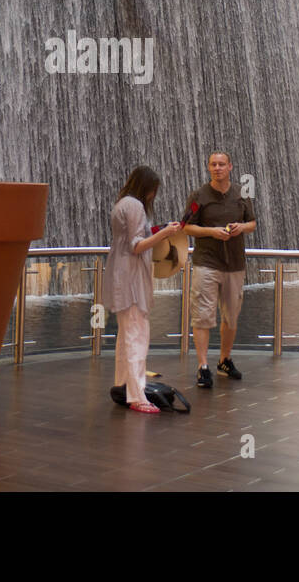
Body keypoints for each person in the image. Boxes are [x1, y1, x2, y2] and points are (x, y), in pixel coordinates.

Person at [104, 166, 183, 414]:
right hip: (132, 281)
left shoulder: (121, 204)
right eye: (153, 192)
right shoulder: (136, 206)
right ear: (147, 188)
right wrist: (167, 233)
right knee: (137, 338)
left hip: (120, 276)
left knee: (125, 338)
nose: (153, 197)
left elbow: (133, 239)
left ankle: (123, 387)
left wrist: (157, 231)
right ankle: (138, 396)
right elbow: (137, 246)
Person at [181, 151, 257, 388]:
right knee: (203, 315)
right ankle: (203, 366)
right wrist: (211, 232)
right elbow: (185, 226)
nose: (217, 168)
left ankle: (225, 361)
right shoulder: (198, 196)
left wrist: (241, 227)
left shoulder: (242, 194)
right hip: (207, 262)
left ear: (230, 167)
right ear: (208, 167)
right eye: (213, 164)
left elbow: (253, 224)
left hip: (234, 264)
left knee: (231, 315)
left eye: (221, 164)